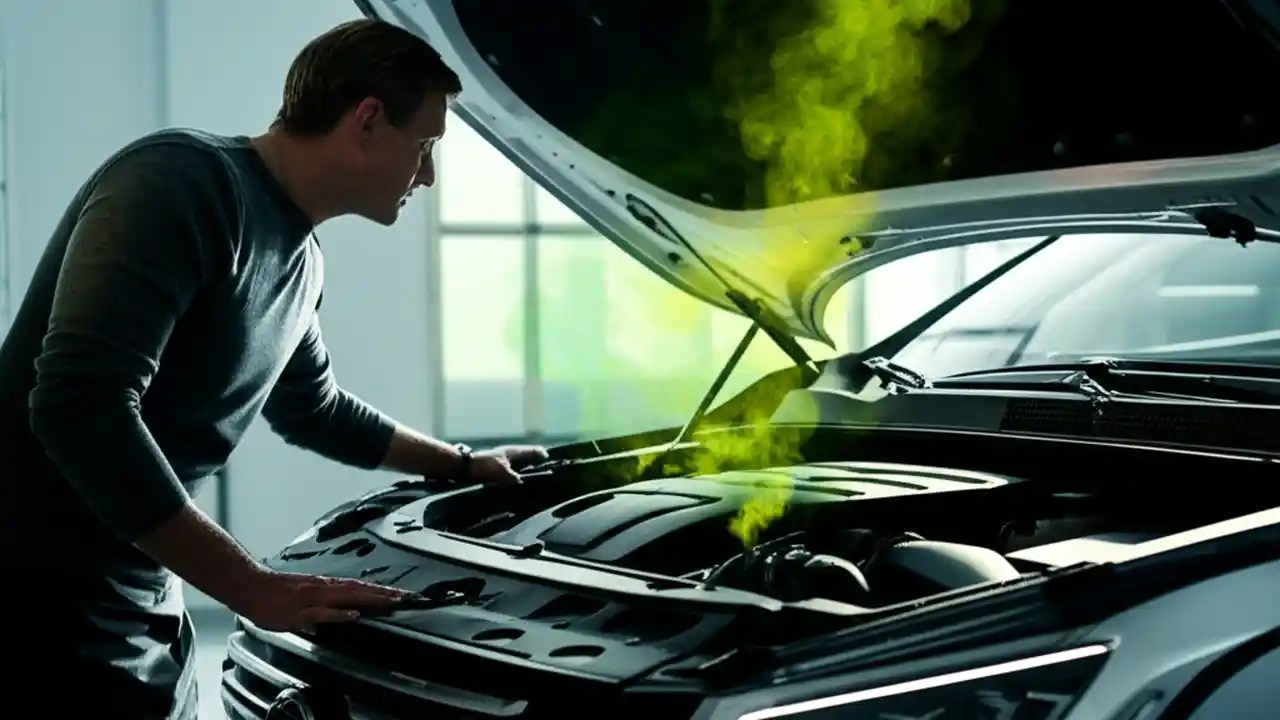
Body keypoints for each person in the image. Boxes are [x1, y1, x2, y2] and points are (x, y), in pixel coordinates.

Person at [0, 18, 546, 719]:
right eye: (428, 146)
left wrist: (462, 464)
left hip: (141, 594)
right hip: (34, 600)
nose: (430, 175)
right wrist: (253, 588)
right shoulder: (180, 182)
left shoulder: (301, 259)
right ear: (368, 120)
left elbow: (314, 409)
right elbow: (78, 404)